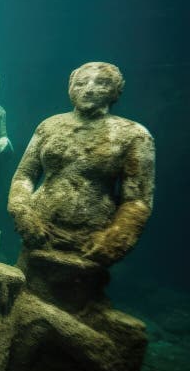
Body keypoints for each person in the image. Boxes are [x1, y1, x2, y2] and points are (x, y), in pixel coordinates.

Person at [8, 62, 154, 266]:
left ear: (116, 90)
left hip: (91, 240)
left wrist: (114, 241)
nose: (89, 89)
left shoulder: (133, 135)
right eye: (81, 83)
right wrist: (21, 211)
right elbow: (24, 175)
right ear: (70, 88)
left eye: (101, 83)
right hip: (38, 230)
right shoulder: (49, 126)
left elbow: (137, 201)